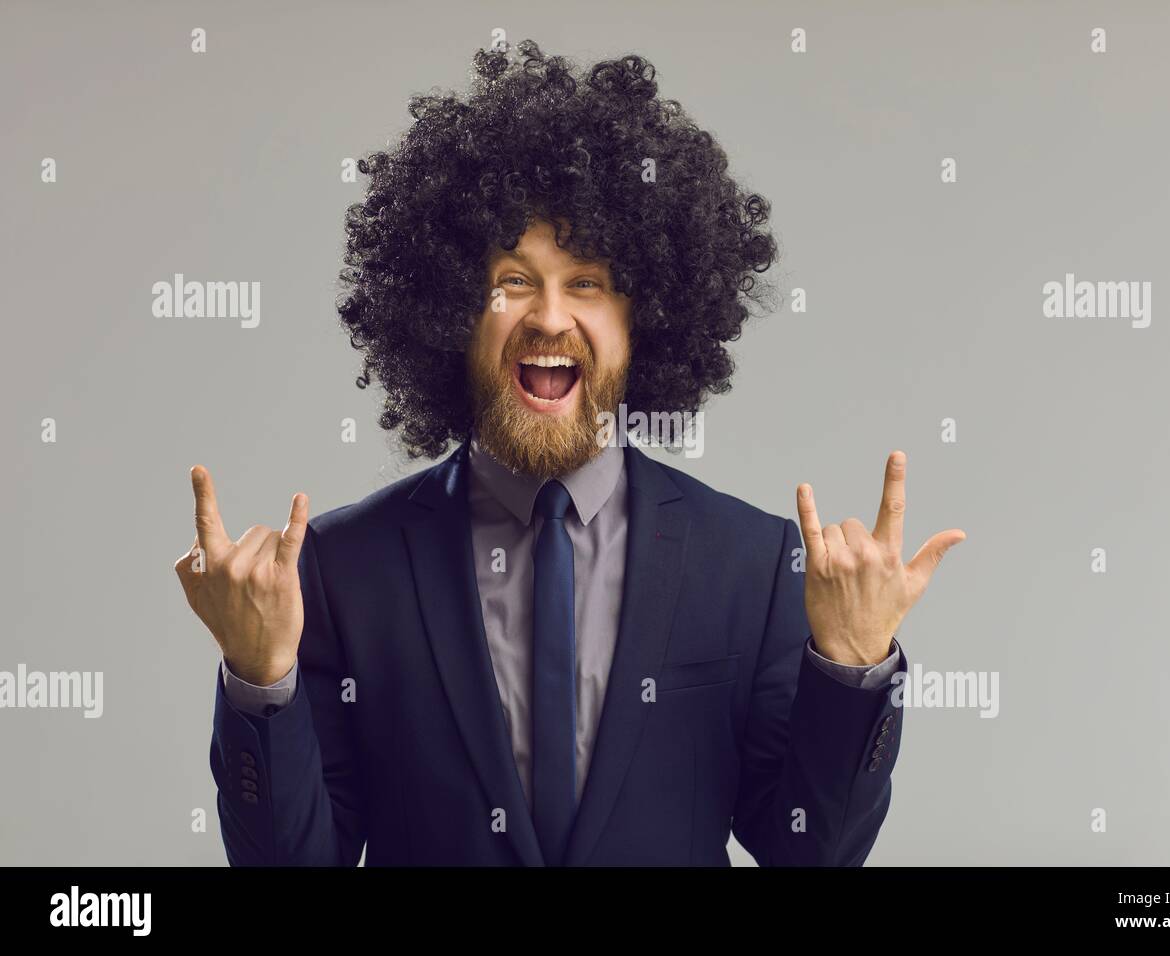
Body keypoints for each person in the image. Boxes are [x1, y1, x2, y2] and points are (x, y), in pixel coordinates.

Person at [173, 39, 965, 866]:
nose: (549, 317)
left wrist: (853, 667)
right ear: (450, 313)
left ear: (644, 317)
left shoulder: (754, 563)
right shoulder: (341, 568)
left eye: (586, 282)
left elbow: (810, 853)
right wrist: (260, 675)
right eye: (512, 280)